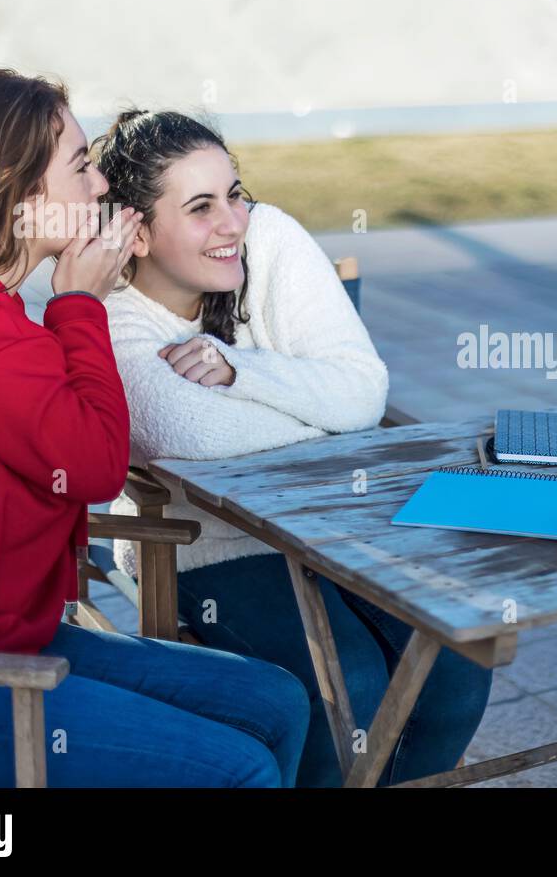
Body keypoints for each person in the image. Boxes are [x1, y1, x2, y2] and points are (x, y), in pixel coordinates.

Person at [0, 68, 311, 787]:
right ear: (17, 196)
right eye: (79, 166)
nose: (100, 186)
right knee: (238, 770)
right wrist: (80, 304)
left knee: (275, 702)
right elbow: (96, 464)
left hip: (11, 640)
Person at [92, 109, 492, 787]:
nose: (232, 222)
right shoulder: (109, 309)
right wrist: (328, 414)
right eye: (199, 207)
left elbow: (363, 392)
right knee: (350, 685)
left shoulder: (268, 237)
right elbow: (196, 436)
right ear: (135, 230)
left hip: (338, 522)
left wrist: (241, 370)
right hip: (203, 544)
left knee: (456, 668)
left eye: (235, 192)